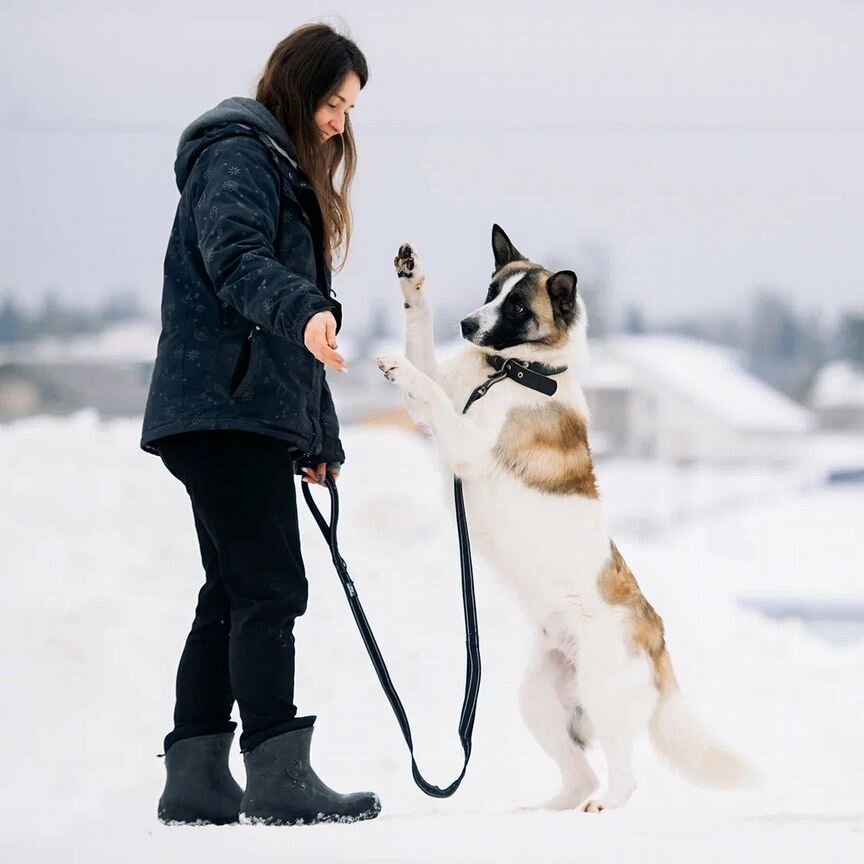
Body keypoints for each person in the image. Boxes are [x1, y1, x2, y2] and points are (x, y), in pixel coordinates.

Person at [140, 23, 380, 826]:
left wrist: (319, 440)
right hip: (222, 408)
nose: (340, 122)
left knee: (233, 589)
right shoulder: (239, 155)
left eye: (349, 108)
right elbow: (236, 261)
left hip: (231, 410)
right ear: (299, 86)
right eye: (333, 102)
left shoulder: (274, 165)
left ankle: (198, 774)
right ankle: (277, 770)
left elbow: (297, 344)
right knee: (271, 584)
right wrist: (307, 306)